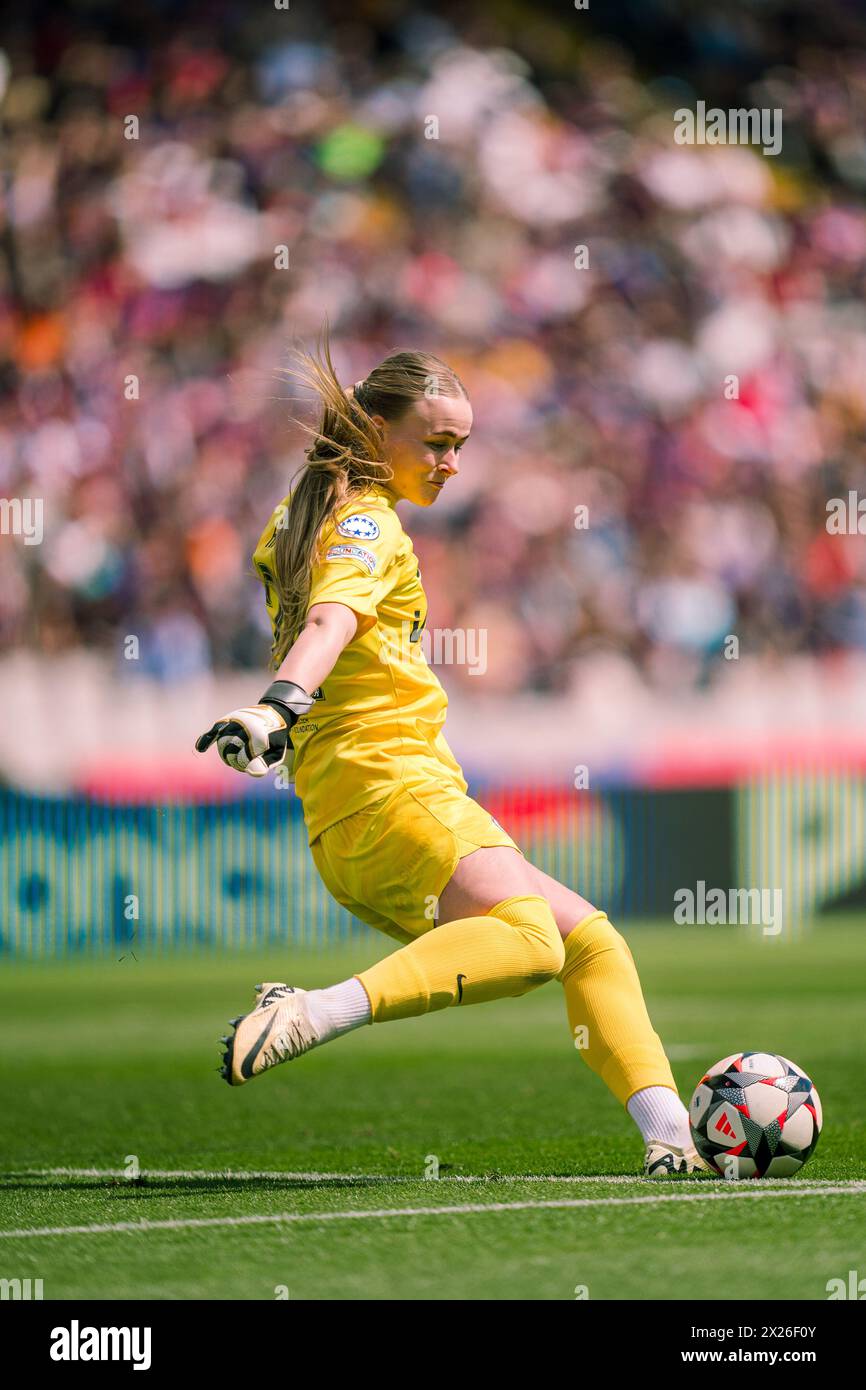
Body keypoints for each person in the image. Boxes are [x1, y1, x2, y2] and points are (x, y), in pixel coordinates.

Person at [195, 339, 710, 1178]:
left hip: (353, 809)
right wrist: (278, 704)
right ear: (375, 427)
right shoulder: (366, 520)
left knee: (592, 942)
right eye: (436, 442)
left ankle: (671, 1138)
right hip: (390, 786)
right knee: (535, 942)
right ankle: (313, 1011)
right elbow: (330, 621)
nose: (451, 463)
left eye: (460, 445)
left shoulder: (304, 512)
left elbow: (327, 619)